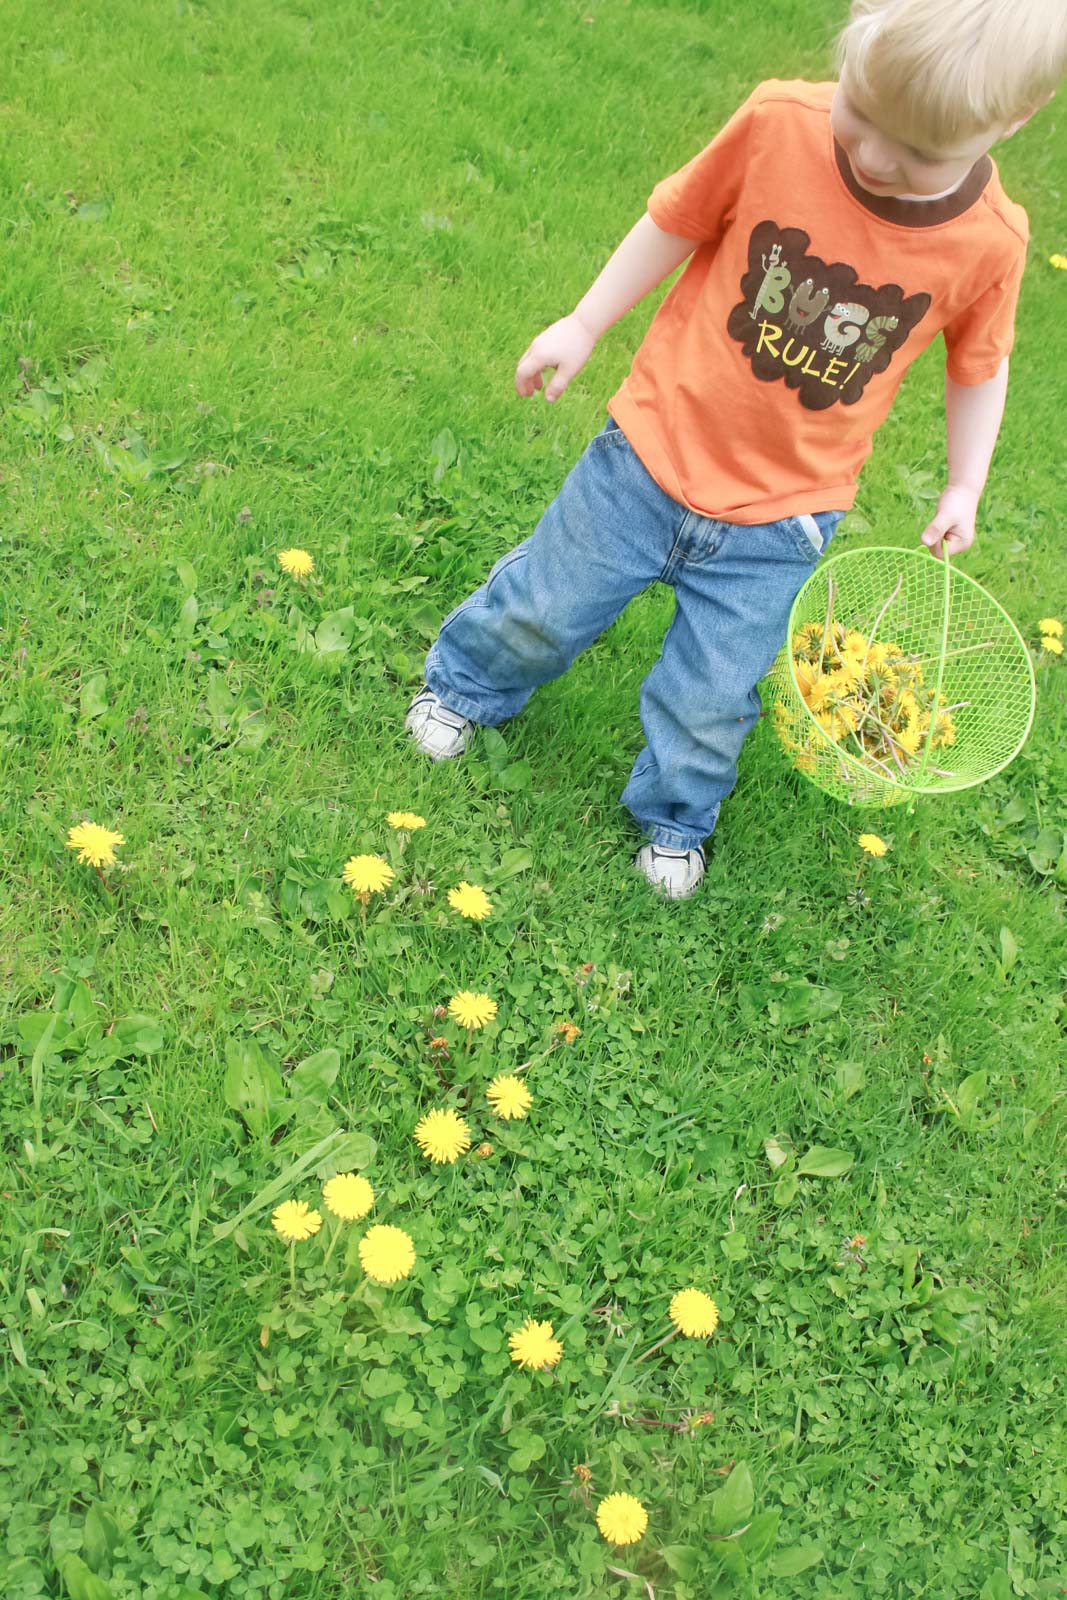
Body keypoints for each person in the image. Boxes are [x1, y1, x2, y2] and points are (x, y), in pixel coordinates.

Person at [406, 0, 1062, 899]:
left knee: (711, 695)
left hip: (782, 518)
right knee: (547, 602)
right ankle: (469, 685)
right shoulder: (777, 124)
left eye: (916, 153)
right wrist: (584, 321)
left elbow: (978, 367)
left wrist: (964, 483)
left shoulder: (988, 242)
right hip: (649, 450)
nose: (873, 157)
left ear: (1012, 122)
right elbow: (676, 220)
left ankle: (674, 817)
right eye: (862, 113)